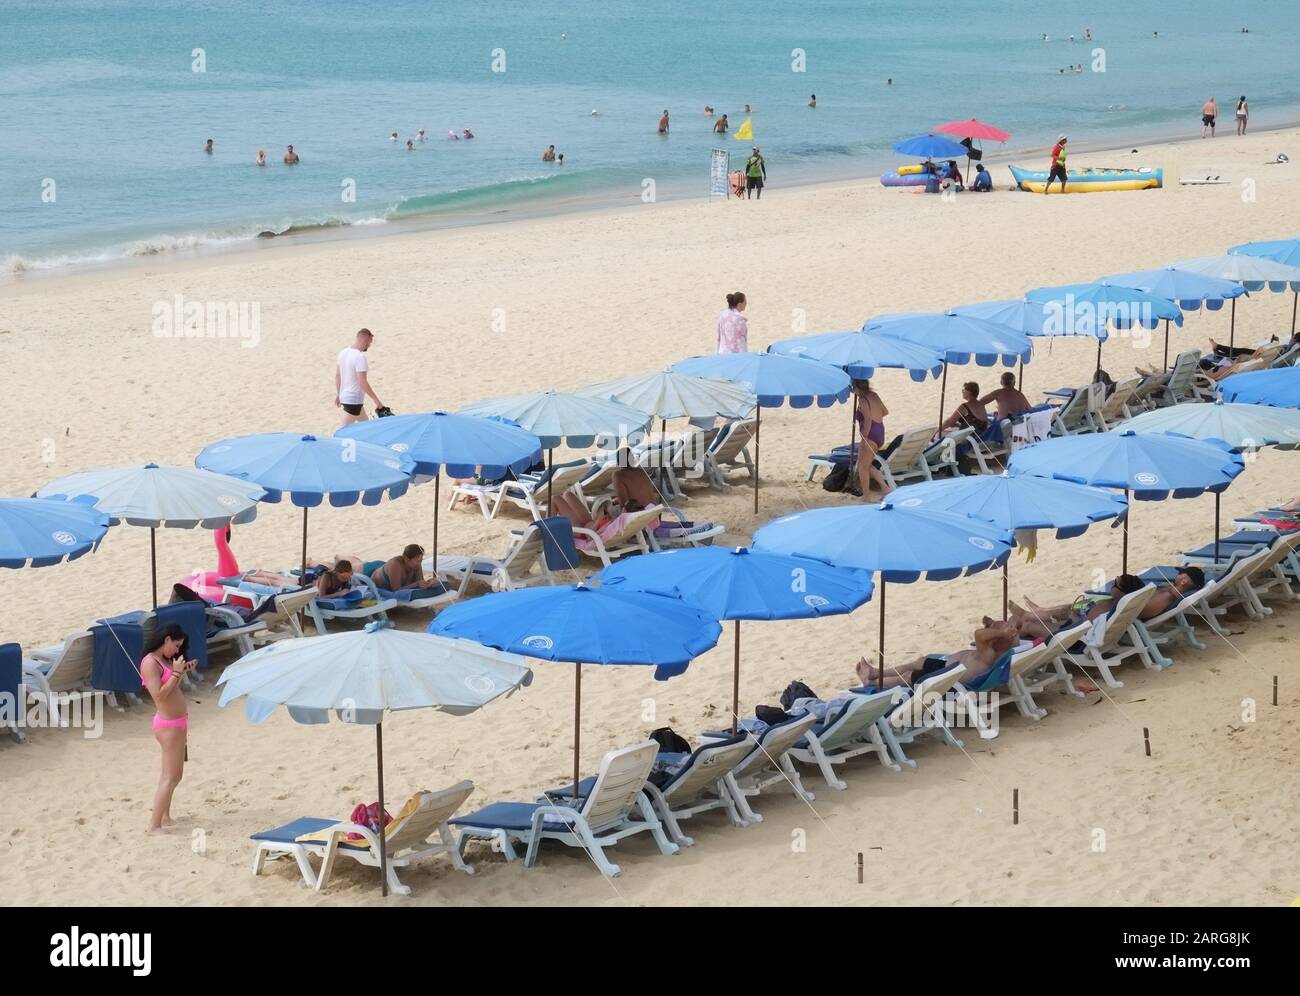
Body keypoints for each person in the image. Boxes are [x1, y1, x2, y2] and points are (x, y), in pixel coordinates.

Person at [856, 618, 1020, 691]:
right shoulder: (1005, 648)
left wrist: (1003, 634)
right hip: (948, 669)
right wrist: (999, 630)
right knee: (919, 661)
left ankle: (871, 683)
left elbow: (979, 634)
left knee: (906, 677)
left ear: (996, 638)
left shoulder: (990, 653)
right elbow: (989, 634)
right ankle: (875, 673)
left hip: (946, 680)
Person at [140, 624, 195, 833]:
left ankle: (165, 816)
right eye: (176, 645)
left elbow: (172, 689)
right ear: (166, 639)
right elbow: (160, 695)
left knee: (170, 774)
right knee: (172, 776)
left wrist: (181, 672)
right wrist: (175, 674)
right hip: (168, 725)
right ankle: (154, 825)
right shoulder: (149, 662)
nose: (177, 650)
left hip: (178, 722)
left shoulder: (163, 661)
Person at [1006, 574, 1144, 642]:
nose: (1112, 585)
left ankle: (1006, 638)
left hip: (1074, 637)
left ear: (1122, 592)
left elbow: (1082, 627)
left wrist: (1072, 615)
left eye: (1115, 584)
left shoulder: (1108, 607)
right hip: (1072, 628)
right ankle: (1029, 615)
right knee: (1064, 610)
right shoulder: (1117, 604)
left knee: (1029, 625)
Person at [336, 328, 383, 425]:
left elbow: (337, 375)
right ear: (364, 340)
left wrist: (339, 394)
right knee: (342, 432)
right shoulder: (360, 357)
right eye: (368, 343)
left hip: (347, 397)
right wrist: (376, 400)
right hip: (354, 400)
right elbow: (362, 382)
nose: (369, 346)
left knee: (366, 426)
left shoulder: (343, 353)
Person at [852, 379, 891, 498]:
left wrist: (864, 438)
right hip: (879, 431)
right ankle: (885, 488)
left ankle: (866, 497)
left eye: (853, 388)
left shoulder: (863, 400)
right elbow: (885, 412)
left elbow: (868, 420)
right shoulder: (874, 395)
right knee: (866, 464)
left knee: (862, 467)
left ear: (857, 388)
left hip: (870, 434)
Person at [1140, 567, 1205, 619]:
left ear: (1184, 582)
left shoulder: (1167, 596)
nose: (1177, 574)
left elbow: (1141, 612)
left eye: (1180, 573)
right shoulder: (1168, 590)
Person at [371, 544, 440, 591]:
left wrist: (429, 583)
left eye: (421, 561)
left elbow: (420, 583)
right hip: (376, 579)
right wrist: (416, 583)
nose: (419, 564)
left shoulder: (417, 564)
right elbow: (396, 589)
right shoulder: (395, 564)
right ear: (406, 558)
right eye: (417, 561)